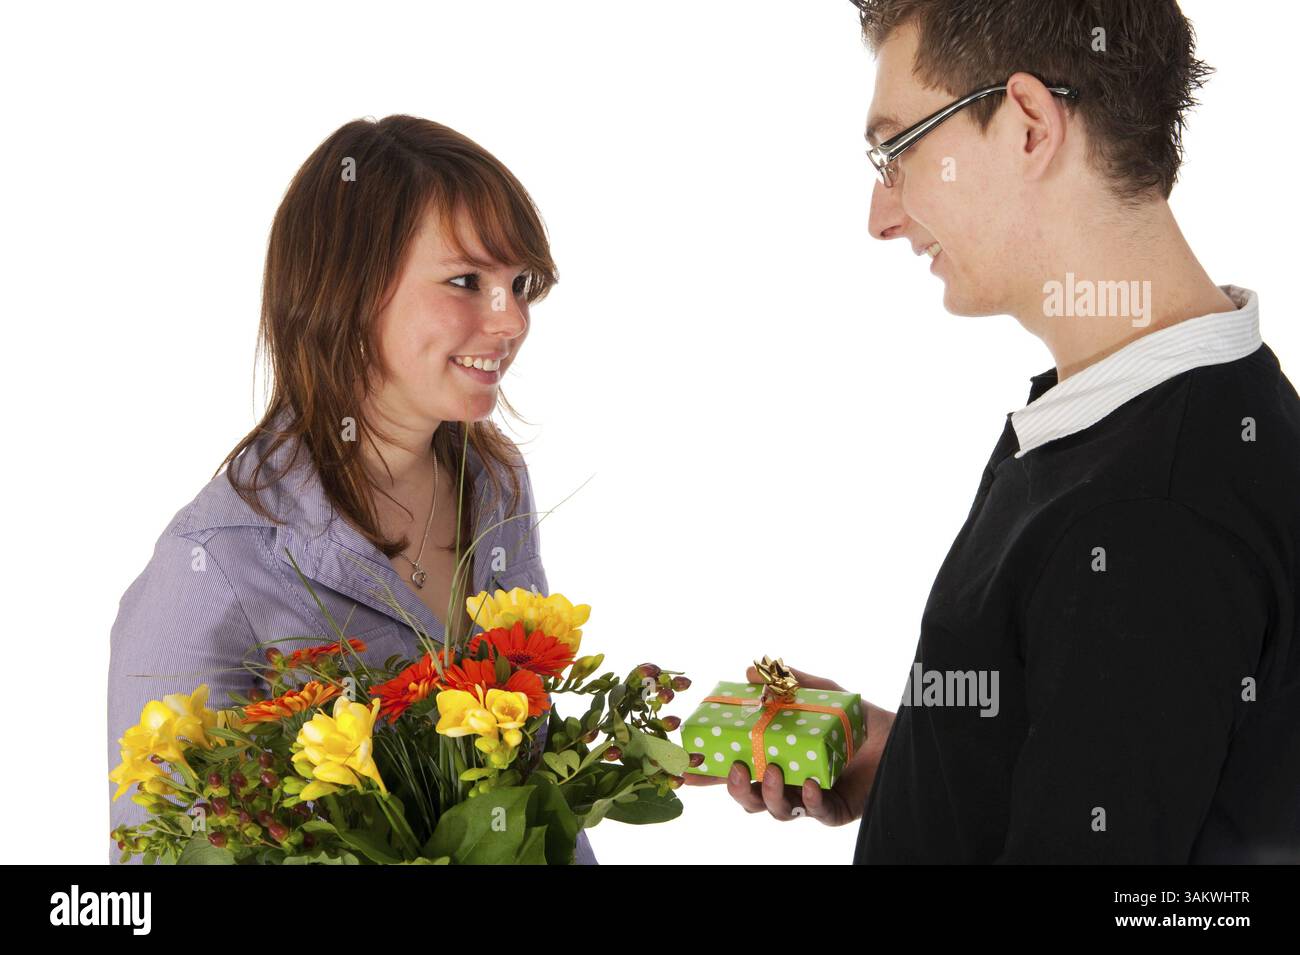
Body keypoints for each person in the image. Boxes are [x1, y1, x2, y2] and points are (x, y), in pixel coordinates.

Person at [685, 0, 1300, 863]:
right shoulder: (1148, 416)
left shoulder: (1151, 516)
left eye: (898, 149)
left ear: (1027, 126)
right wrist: (923, 761)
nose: (881, 215)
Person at [107, 115, 598, 865]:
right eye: (468, 280)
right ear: (351, 290)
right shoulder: (213, 565)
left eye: (519, 284)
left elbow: (533, 799)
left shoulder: (495, 488)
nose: (512, 320)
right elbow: (150, 863)